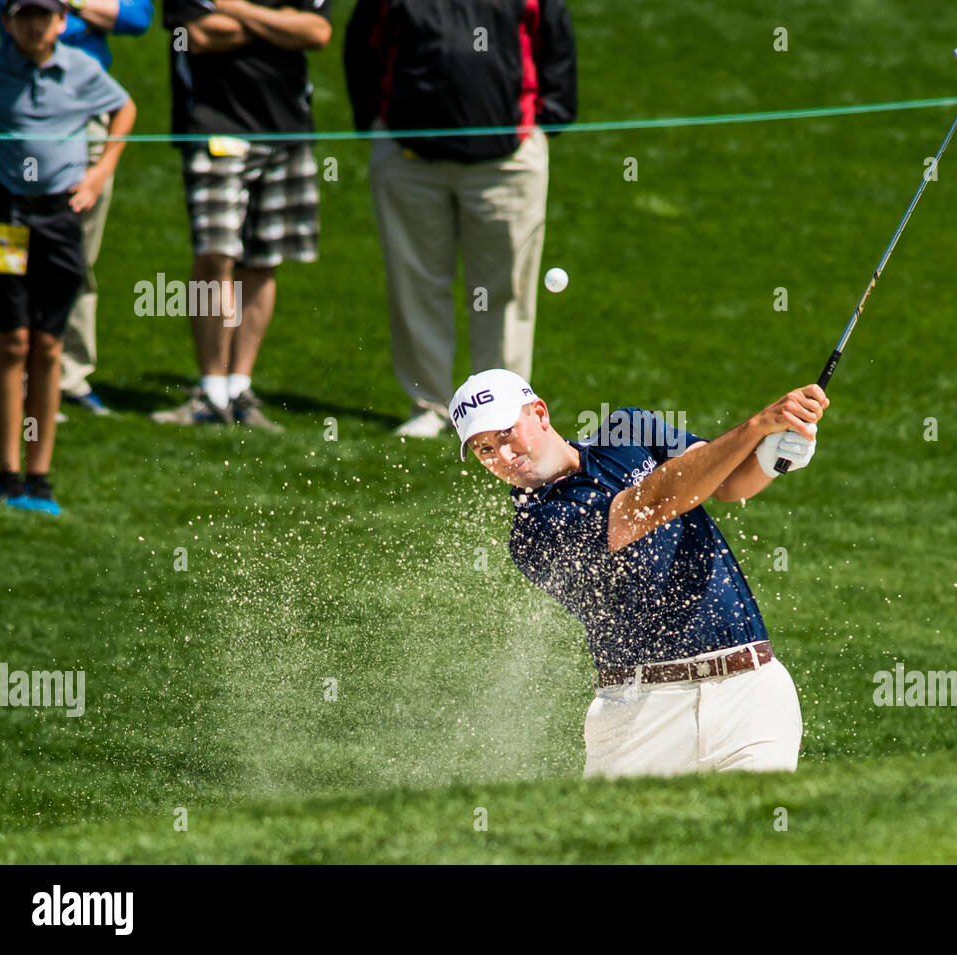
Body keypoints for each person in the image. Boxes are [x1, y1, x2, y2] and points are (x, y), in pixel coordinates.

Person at [451, 368, 826, 778]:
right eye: (485, 450)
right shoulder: (534, 531)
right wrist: (756, 426)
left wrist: (771, 457)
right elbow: (656, 499)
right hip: (641, 716)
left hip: (749, 691)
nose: (502, 457)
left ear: (539, 413)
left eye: (505, 435)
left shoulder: (626, 427)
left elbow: (727, 481)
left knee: (758, 837)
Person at [344, 0, 577, 439]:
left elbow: (555, 42)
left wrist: (550, 118)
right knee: (417, 282)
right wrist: (373, 121)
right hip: (408, 155)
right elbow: (363, 46)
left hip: (507, 156)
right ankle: (430, 405)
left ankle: (503, 413)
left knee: (505, 288)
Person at [0, 0, 135, 515]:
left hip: (58, 221)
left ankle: (40, 477)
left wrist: (98, 173)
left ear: (62, 22)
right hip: (9, 220)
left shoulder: (83, 70)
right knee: (11, 341)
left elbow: (125, 108)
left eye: (43, 15)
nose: (32, 25)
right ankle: (6, 475)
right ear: (7, 22)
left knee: (47, 346)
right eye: (23, 14)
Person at [151, 0, 331, 430]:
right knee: (215, 255)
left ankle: (238, 388)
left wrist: (236, 10)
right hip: (214, 124)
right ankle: (210, 390)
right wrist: (278, 23)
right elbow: (197, 35)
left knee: (263, 260)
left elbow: (316, 33)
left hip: (285, 127)